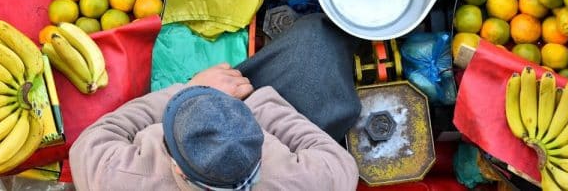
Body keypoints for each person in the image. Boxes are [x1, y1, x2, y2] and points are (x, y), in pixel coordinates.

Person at [69, 62, 359, 190]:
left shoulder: (117, 176)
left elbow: (93, 140)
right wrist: (257, 104)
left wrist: (188, 89)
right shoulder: (305, 181)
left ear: (179, 168)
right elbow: (342, 164)